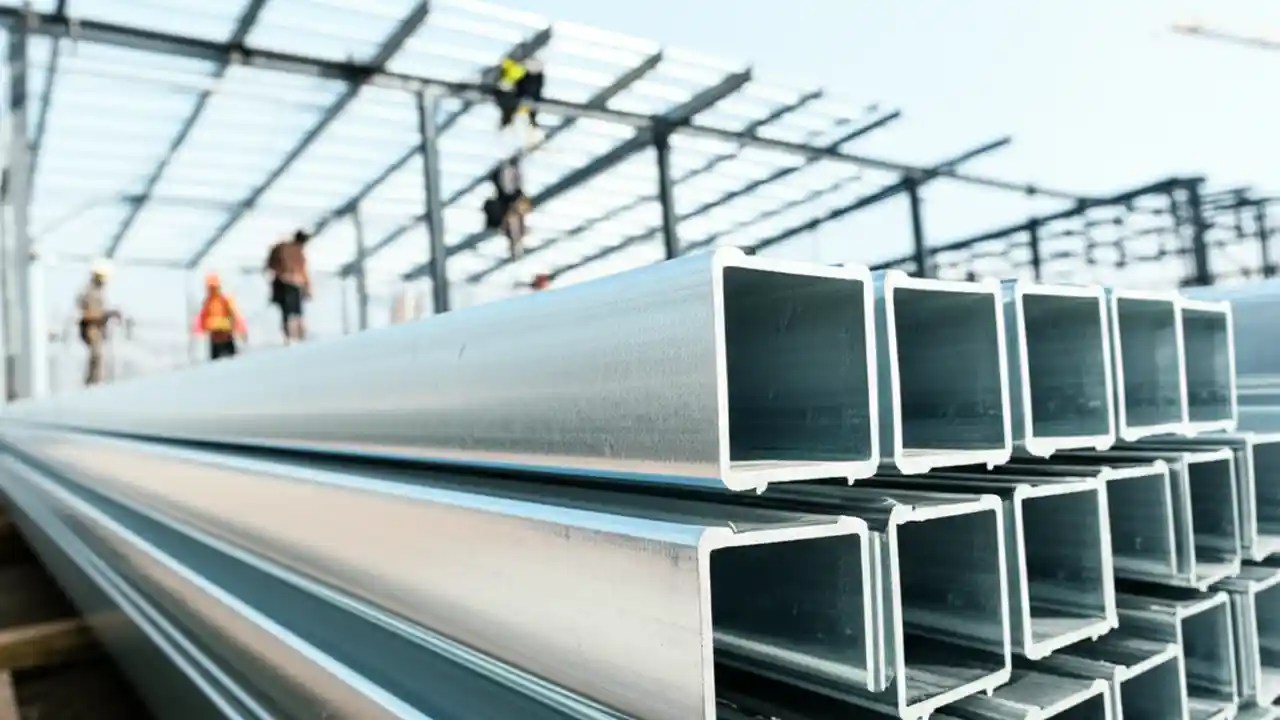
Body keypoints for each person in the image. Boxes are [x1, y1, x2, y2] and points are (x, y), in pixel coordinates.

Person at [77, 261, 120, 386]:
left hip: (98, 327)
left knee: (99, 356)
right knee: (97, 355)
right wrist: (104, 315)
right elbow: (88, 312)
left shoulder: (98, 292)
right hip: (91, 327)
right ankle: (93, 382)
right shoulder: (90, 292)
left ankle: (96, 381)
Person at [266, 230, 311, 344]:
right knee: (296, 312)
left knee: (287, 312)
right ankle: (297, 336)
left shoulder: (281, 247)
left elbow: (270, 265)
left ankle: (290, 337)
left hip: (281, 283)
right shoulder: (298, 252)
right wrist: (307, 287)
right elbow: (303, 272)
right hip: (292, 284)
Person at [193, 273, 247, 361]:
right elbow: (203, 318)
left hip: (225, 335)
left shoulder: (223, 301)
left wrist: (238, 328)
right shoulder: (208, 302)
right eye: (210, 288)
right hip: (216, 336)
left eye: (213, 287)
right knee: (218, 362)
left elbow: (233, 315)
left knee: (230, 360)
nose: (212, 290)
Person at [486, 159, 531, 259]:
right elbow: (521, 220)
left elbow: (508, 222)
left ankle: (509, 169)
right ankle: (512, 168)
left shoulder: (510, 233)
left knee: (510, 190)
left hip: (511, 208)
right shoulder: (520, 233)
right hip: (515, 209)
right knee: (513, 190)